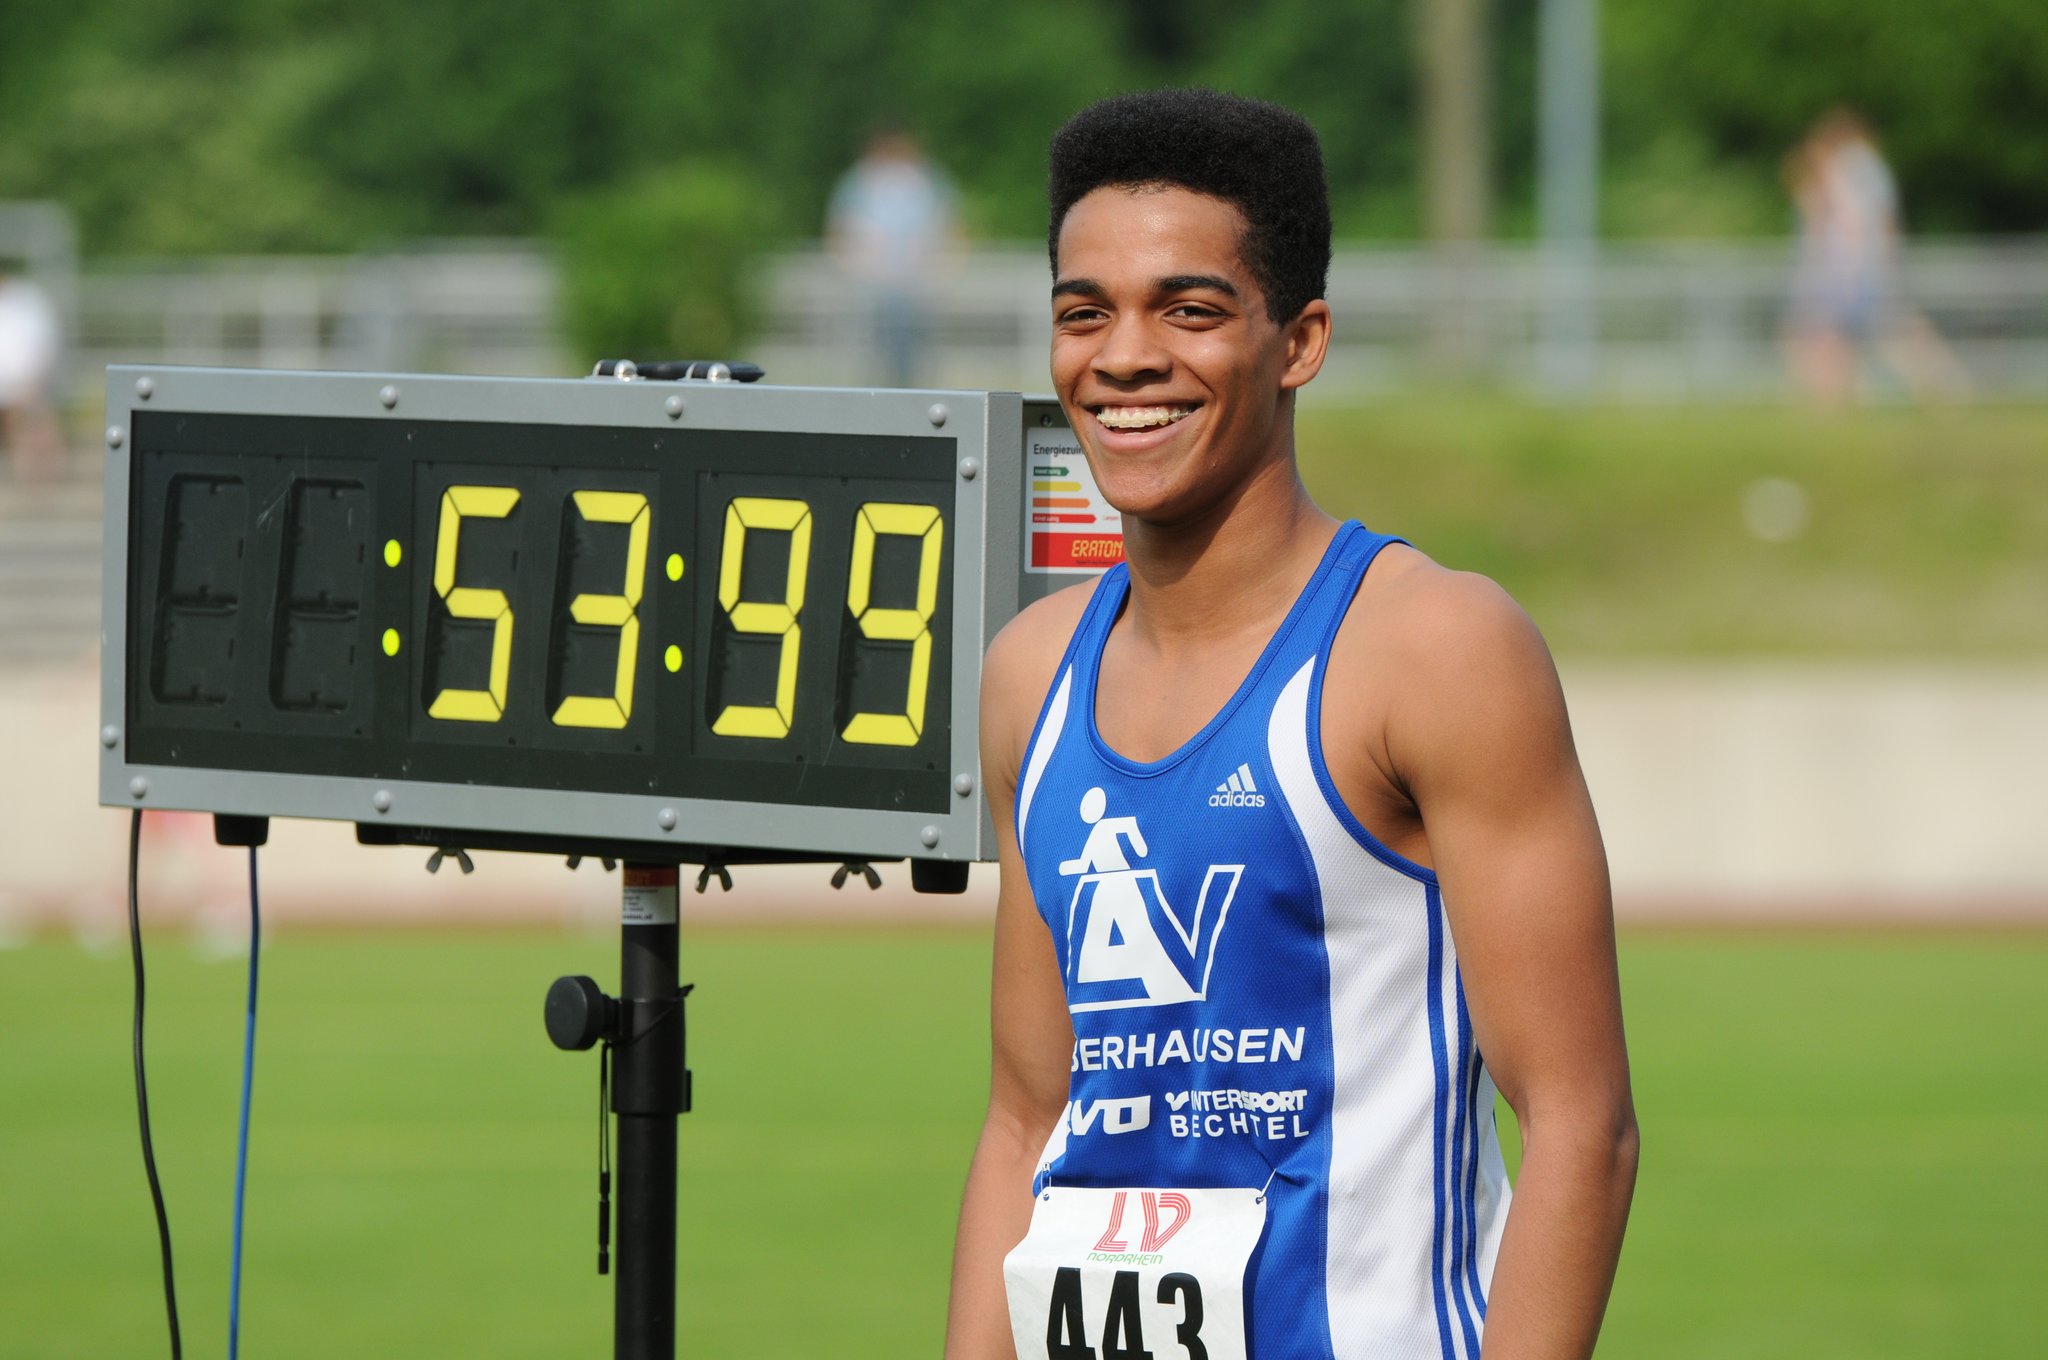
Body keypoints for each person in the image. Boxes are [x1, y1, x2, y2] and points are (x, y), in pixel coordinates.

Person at [944, 90, 1637, 1360]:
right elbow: (1025, 1120)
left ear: (1298, 341)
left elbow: (1578, 1123)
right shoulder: (1025, 677)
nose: (1123, 357)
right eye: (1083, 313)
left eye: (1188, 310)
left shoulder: (1435, 649)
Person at [826, 125, 960, 388]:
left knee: (912, 336)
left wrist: (942, 270)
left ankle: (907, 385)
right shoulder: (858, 182)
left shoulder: (929, 180)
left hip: (919, 285)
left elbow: (952, 230)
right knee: (880, 337)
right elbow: (839, 235)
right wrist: (858, 269)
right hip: (871, 284)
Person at [0, 263, 65, 484]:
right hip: (11, 384)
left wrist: (37, 380)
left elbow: (43, 343)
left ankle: (47, 477)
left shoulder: (27, 300)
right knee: (21, 429)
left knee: (38, 427)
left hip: (29, 381)